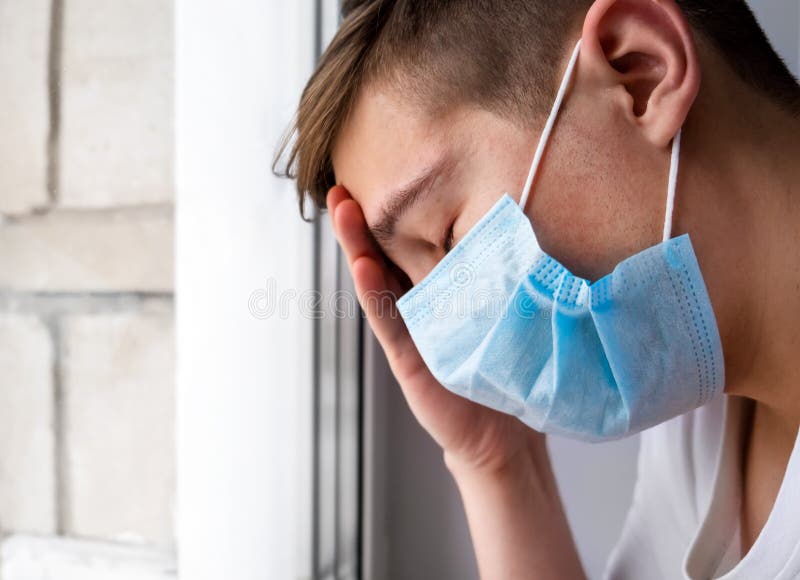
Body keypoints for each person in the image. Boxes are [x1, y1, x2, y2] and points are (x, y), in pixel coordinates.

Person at [276, 1, 800, 578]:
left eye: (446, 238)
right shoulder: (701, 411)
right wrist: (496, 461)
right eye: (414, 284)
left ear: (640, 73)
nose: (451, 350)